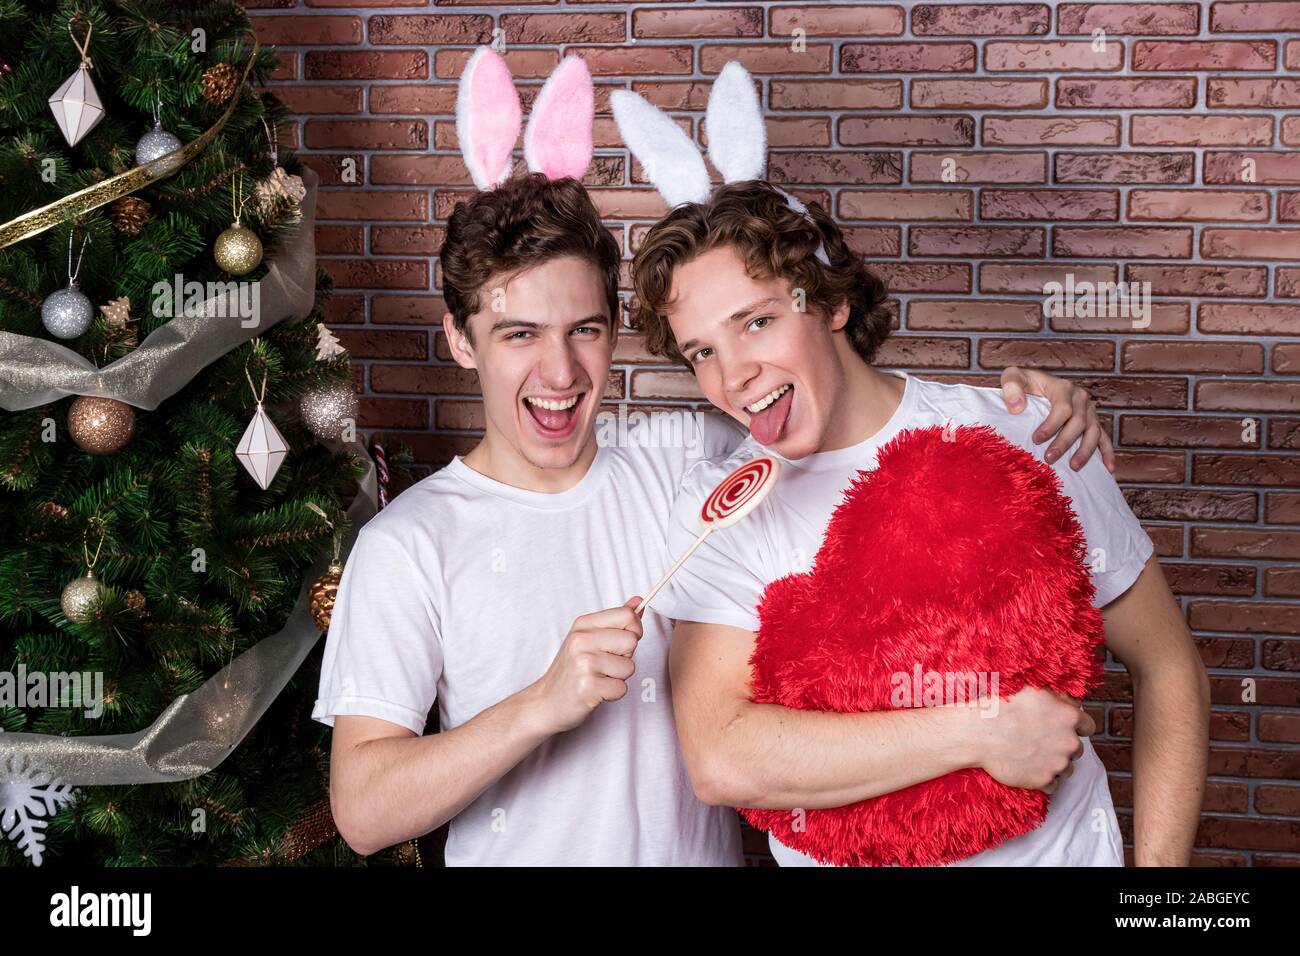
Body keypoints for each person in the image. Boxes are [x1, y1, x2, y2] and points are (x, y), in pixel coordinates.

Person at [311, 172, 1107, 865]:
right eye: (518, 335)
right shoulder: (408, 543)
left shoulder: (689, 457)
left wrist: (1030, 408)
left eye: (583, 331)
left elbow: (832, 397)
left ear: (614, 334)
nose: (558, 372)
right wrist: (538, 707)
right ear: (461, 339)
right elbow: (364, 812)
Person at [632, 179, 1211, 866]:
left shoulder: (1027, 434)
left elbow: (1169, 666)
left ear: (833, 302)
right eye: (701, 351)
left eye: (756, 322)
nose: (734, 375)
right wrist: (981, 733)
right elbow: (723, 756)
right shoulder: (721, 504)